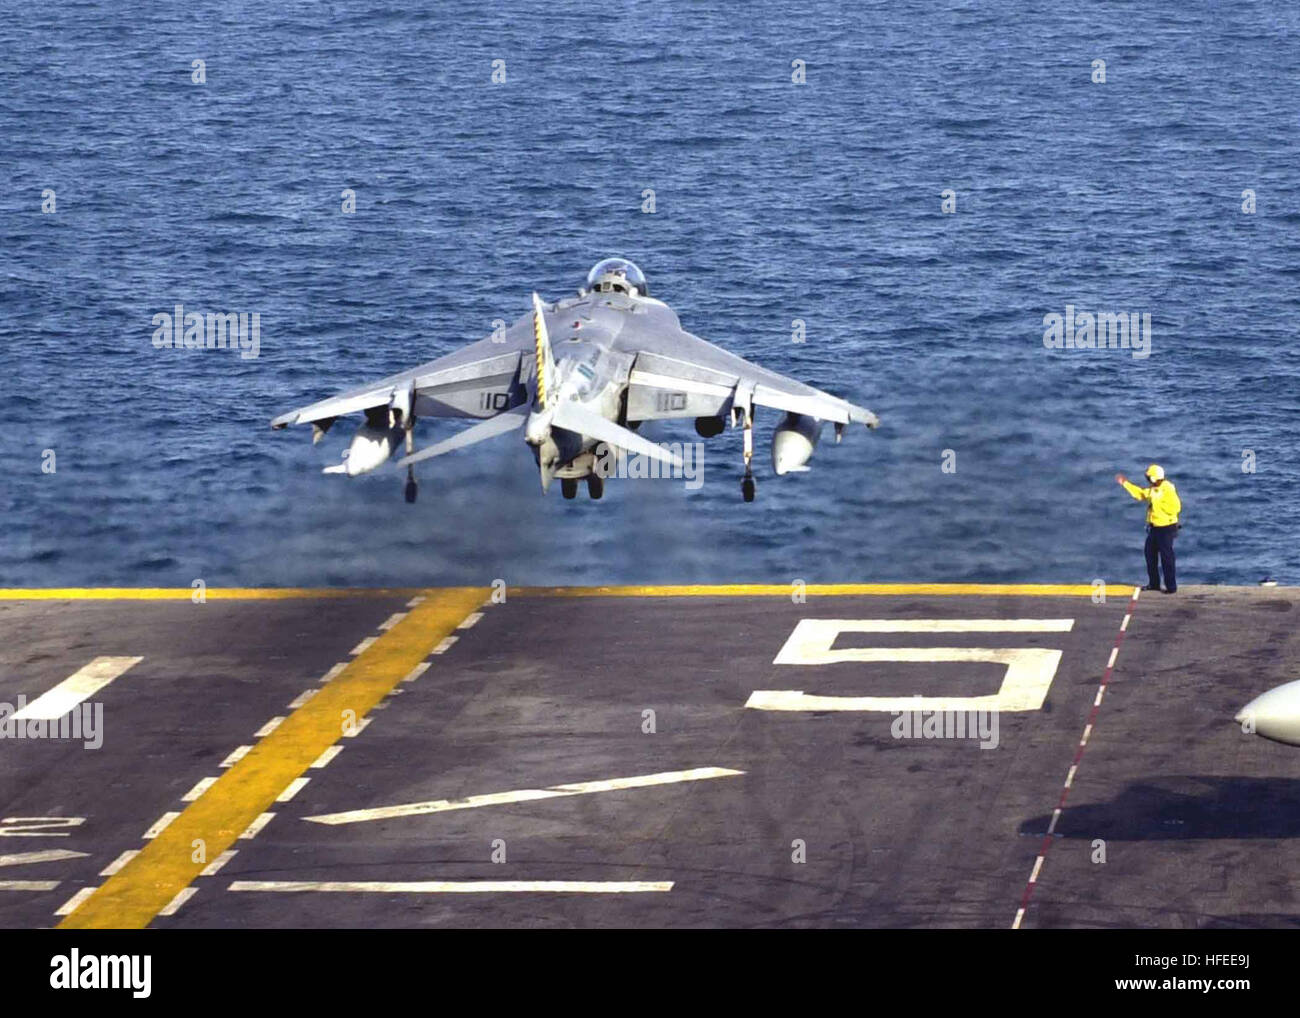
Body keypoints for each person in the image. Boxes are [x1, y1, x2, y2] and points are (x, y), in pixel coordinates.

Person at [1115, 464, 1182, 593]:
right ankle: (1154, 583)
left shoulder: (1167, 489)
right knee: (1149, 554)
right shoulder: (1154, 490)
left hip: (1166, 528)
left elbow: (1176, 508)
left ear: (1153, 479)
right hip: (1154, 528)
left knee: (1167, 558)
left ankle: (1171, 586)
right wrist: (1125, 484)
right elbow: (1140, 494)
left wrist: (1158, 504)